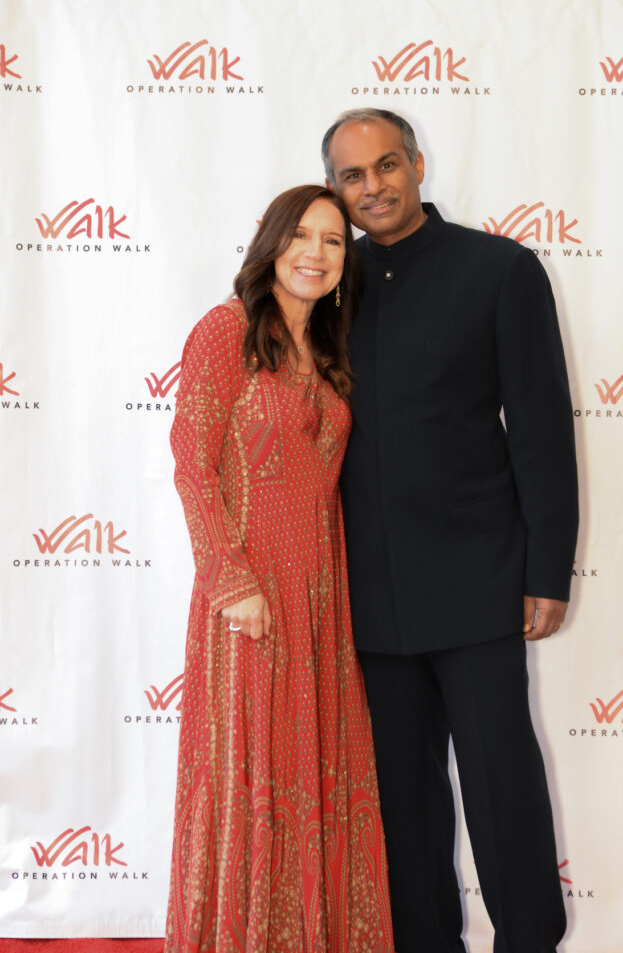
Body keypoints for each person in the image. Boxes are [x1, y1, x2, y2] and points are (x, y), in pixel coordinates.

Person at [321, 109, 579, 953]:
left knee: (503, 782)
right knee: (402, 798)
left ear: (418, 164)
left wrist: (548, 567)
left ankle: (530, 941)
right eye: (353, 177)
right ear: (336, 191)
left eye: (387, 166)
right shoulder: (328, 288)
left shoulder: (499, 270)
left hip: (478, 582)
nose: (374, 188)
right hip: (366, 592)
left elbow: (540, 430)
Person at [164, 184, 395, 953]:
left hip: (323, 588)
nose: (317, 254)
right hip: (251, 592)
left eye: (334, 242)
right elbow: (193, 469)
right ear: (272, 244)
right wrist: (233, 583)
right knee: (247, 777)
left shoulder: (327, 349)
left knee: (316, 769)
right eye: (302, 236)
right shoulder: (223, 332)